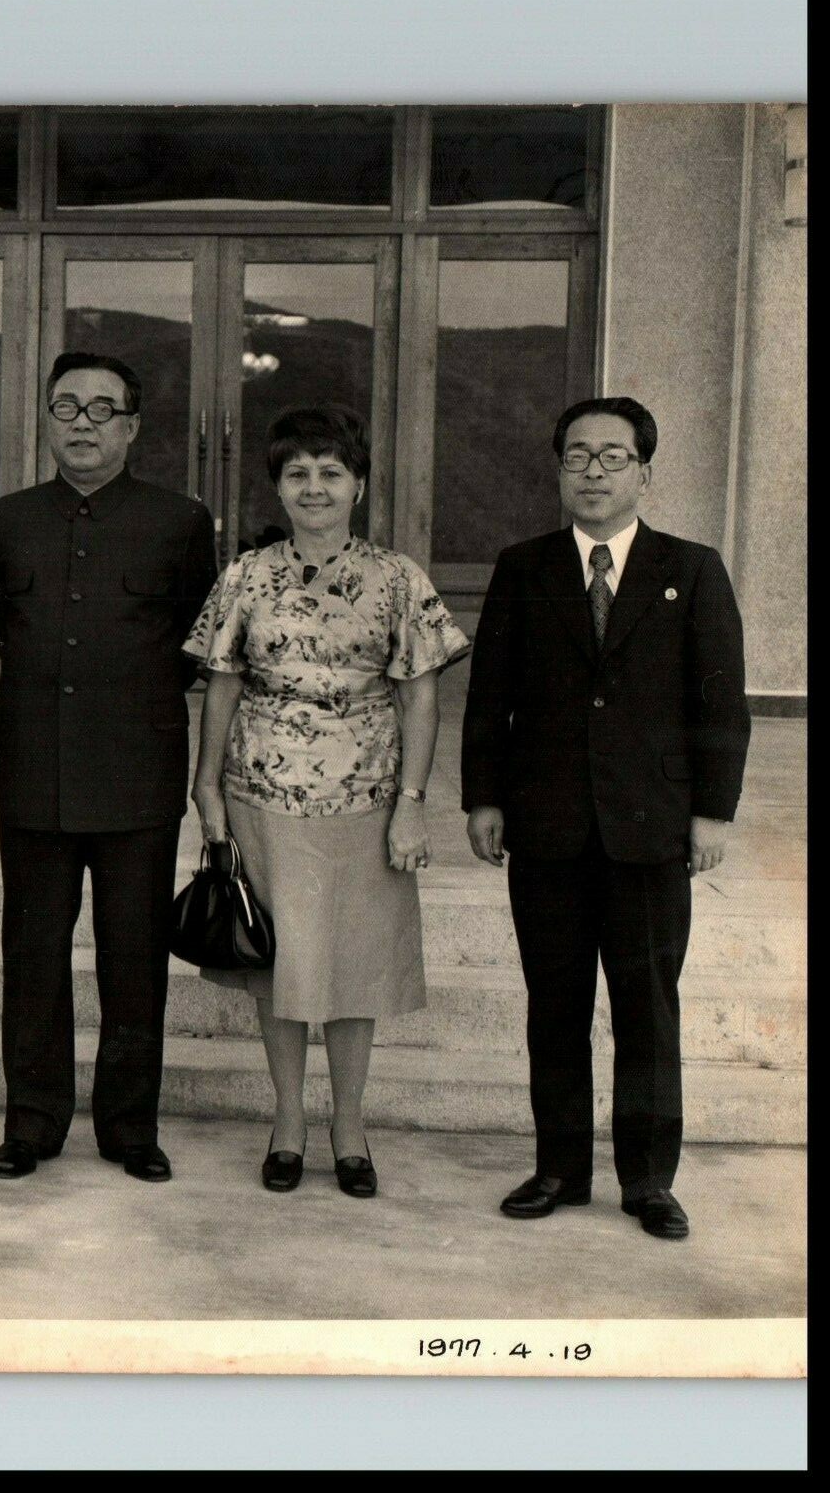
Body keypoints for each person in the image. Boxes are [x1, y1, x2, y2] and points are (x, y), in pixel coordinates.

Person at [461, 396, 750, 1241]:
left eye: (611, 456)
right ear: (558, 471)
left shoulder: (690, 568)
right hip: (545, 823)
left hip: (650, 828)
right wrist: (484, 797)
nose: (592, 471)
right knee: (553, 1005)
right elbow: (488, 697)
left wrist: (711, 812)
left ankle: (648, 1180)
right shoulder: (523, 567)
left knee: (646, 1009)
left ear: (643, 473)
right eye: (576, 456)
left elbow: (720, 704)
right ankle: (558, 1168)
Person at [186, 405, 467, 1196]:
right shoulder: (245, 575)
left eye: (330, 473)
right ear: (277, 488)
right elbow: (221, 684)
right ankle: (287, 1121)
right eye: (297, 474)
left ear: (358, 486)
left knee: (351, 969)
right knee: (278, 967)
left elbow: (420, 698)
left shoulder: (397, 578)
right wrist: (205, 787)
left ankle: (348, 1124)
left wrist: (411, 802)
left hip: (364, 801)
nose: (314, 487)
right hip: (261, 796)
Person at [0, 352, 217, 1184]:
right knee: (32, 955)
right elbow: (8, 629)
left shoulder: (179, 521)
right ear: (46, 419)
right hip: (33, 771)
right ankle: (31, 1123)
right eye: (66, 407)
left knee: (134, 957)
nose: (82, 423)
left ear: (132, 426)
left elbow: (191, 642)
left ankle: (129, 1128)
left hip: (135, 772)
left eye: (100, 409)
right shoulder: (8, 519)